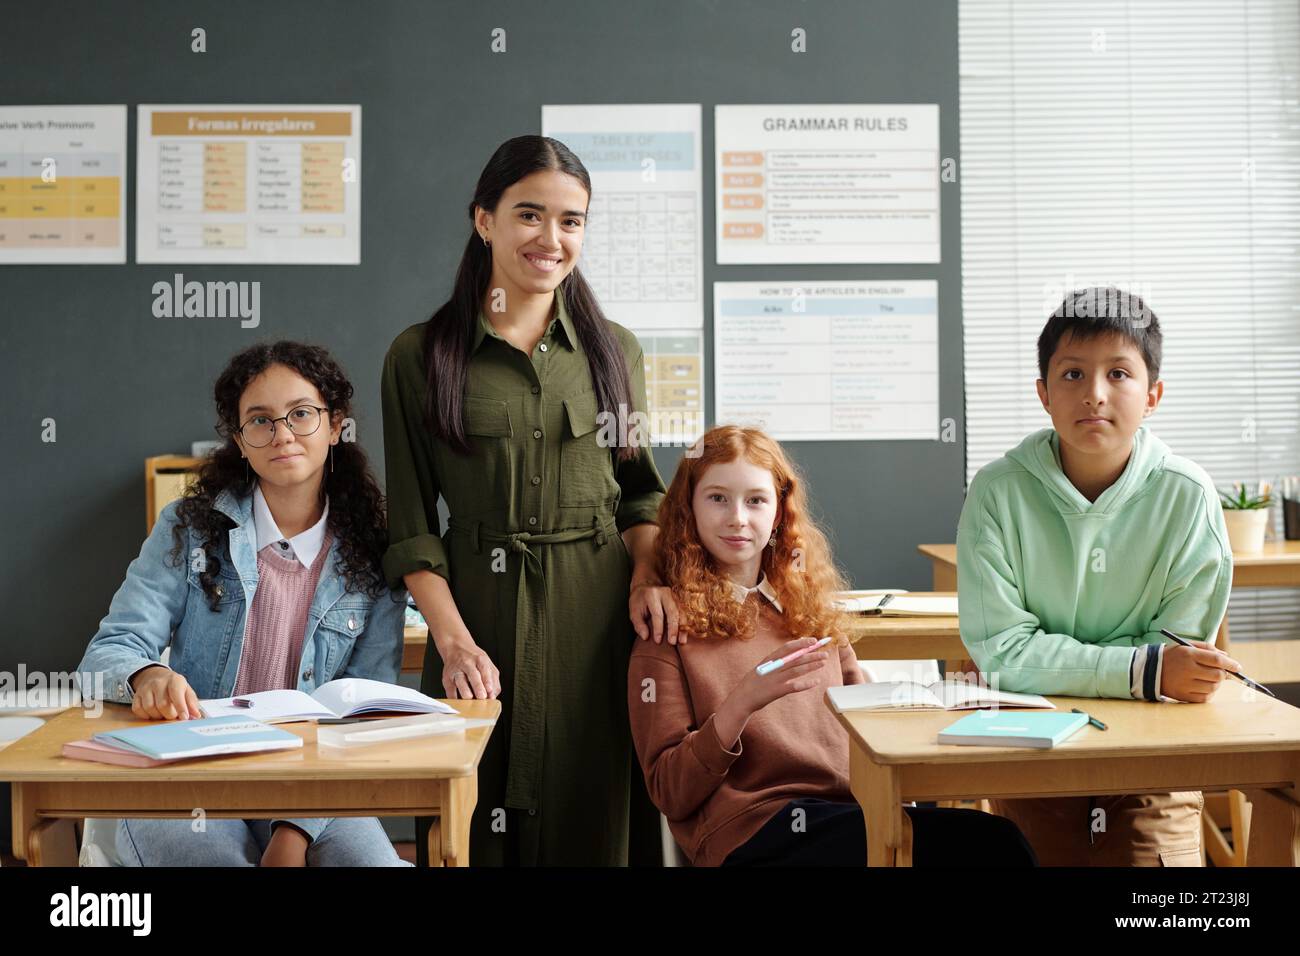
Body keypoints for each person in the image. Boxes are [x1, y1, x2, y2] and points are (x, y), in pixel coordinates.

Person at [382, 135, 672, 865]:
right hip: (478, 623)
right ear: (484, 220)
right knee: (473, 825)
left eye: (572, 221)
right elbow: (413, 528)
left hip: (598, 627)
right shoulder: (420, 357)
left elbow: (640, 497)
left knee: (597, 824)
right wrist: (452, 644)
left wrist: (645, 576)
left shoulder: (617, 351)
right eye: (530, 215)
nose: (552, 238)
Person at [629, 424, 1038, 866]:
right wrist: (740, 704)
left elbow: (862, 730)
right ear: (688, 508)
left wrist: (947, 713)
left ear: (780, 513)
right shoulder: (668, 631)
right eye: (717, 498)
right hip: (753, 831)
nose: (738, 518)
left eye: (756, 500)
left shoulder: (808, 612)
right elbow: (670, 792)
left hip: (849, 812)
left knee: (999, 841)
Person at [77, 341, 409, 866]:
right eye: (260, 421)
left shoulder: (375, 551)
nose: (282, 434)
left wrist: (294, 830)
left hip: (319, 786)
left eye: (301, 414)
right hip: (188, 776)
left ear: (336, 424)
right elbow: (108, 653)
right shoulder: (188, 528)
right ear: (240, 439)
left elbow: (365, 711)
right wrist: (145, 676)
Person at [957, 287, 1239, 865]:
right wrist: (1144, 668)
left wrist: (1053, 662)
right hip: (1034, 753)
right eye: (1072, 374)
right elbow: (1003, 654)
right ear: (1043, 393)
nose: (1093, 394)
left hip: (1155, 762)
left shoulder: (1188, 496)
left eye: (1118, 373)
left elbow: (1181, 657)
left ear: (1153, 395)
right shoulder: (997, 493)